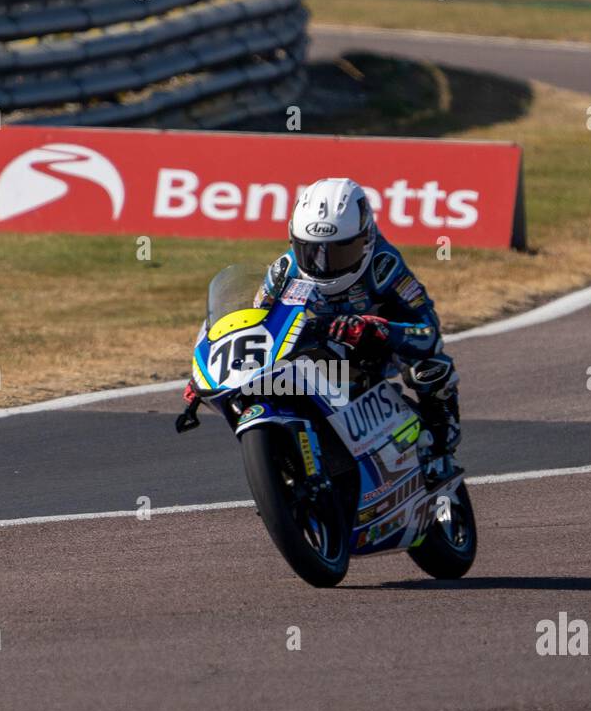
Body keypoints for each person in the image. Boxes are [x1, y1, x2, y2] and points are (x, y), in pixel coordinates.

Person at [186, 177, 460, 483]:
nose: (323, 264)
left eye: (338, 252)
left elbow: (429, 333)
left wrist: (379, 330)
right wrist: (212, 371)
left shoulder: (384, 265)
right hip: (318, 357)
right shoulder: (283, 271)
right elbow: (256, 325)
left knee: (431, 367)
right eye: (311, 251)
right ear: (293, 240)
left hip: (376, 353)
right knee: (264, 386)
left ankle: (440, 445)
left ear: (365, 238)